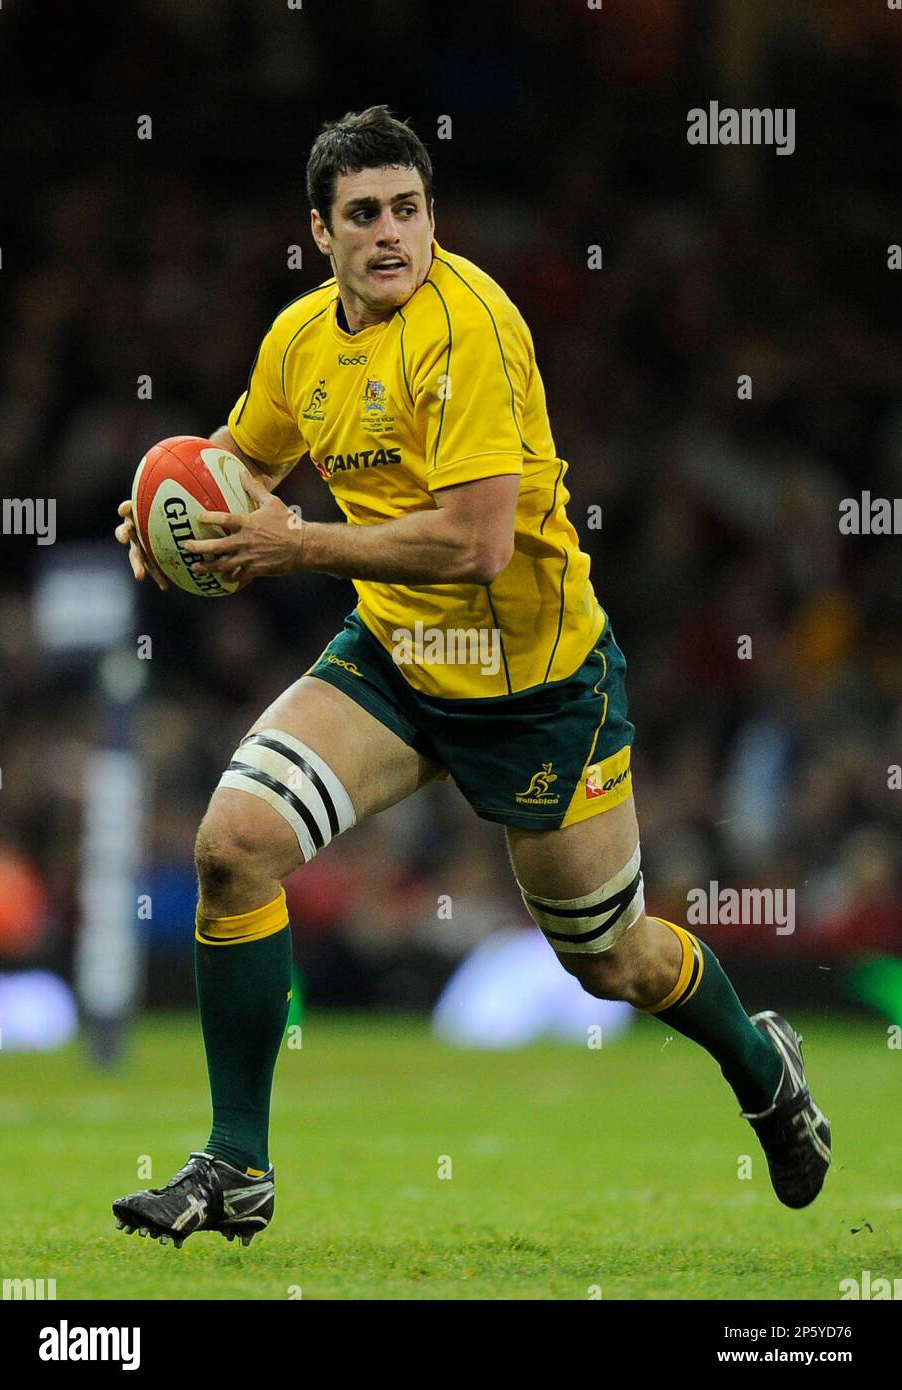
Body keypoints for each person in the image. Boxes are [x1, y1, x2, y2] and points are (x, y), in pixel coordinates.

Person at [113, 105, 829, 1248]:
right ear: (320, 232)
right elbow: (241, 458)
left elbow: (475, 542)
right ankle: (237, 1163)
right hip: (398, 657)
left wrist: (294, 544)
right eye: (364, 215)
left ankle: (763, 1065)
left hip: (536, 687)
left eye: (407, 209)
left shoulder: (473, 330)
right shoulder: (301, 340)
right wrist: (173, 512)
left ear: (431, 216)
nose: (390, 233)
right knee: (232, 846)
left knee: (614, 960)